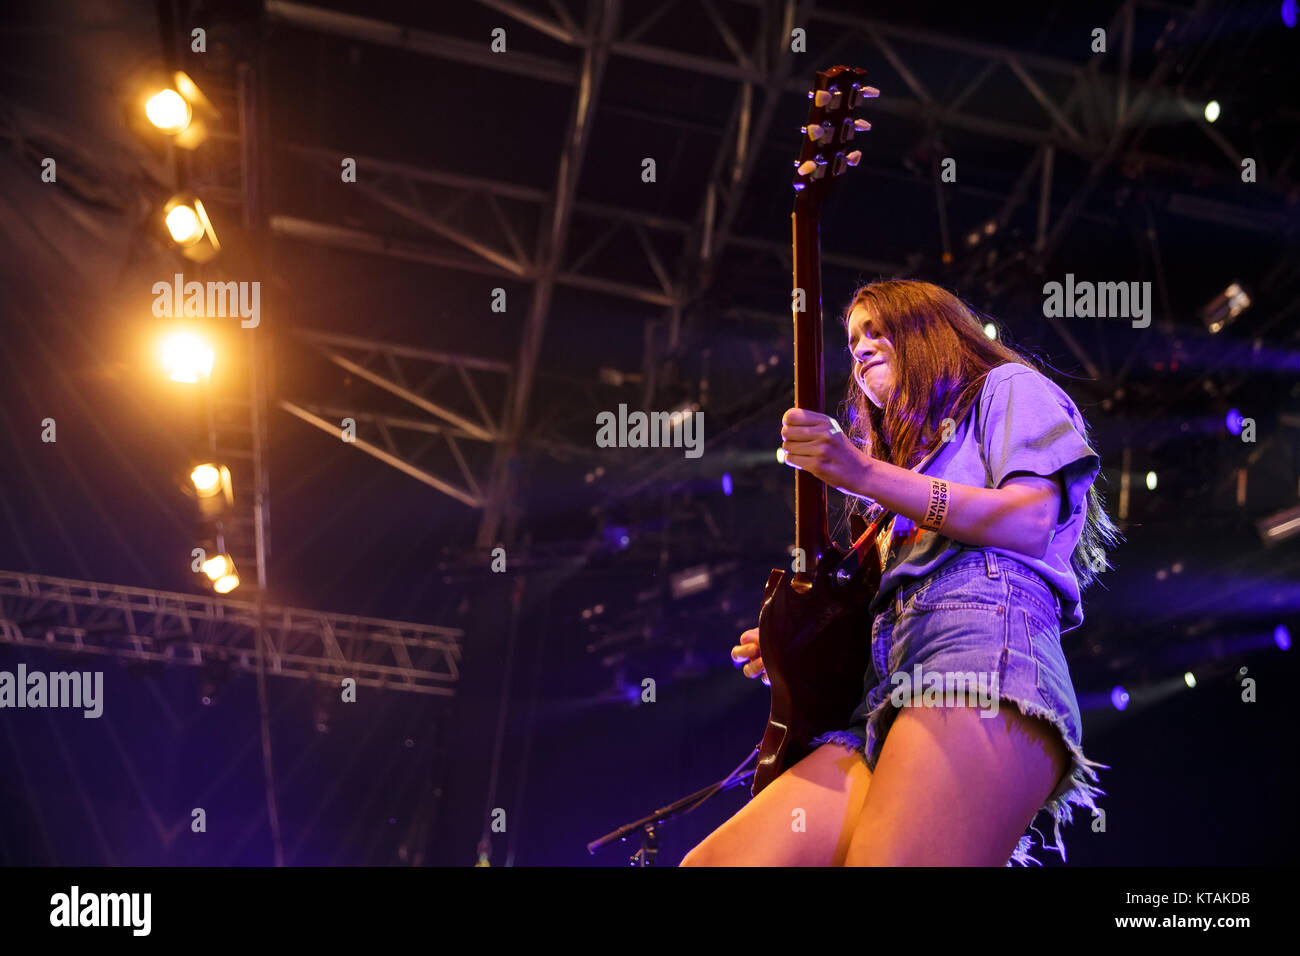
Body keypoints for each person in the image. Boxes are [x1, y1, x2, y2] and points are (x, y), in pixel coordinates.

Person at [680, 279, 1120, 867]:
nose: (858, 348)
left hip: (981, 657)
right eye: (852, 339)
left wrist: (860, 473)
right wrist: (798, 649)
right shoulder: (901, 484)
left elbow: (1029, 519)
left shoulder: (1006, 388)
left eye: (875, 329)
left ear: (929, 329)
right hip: (884, 695)